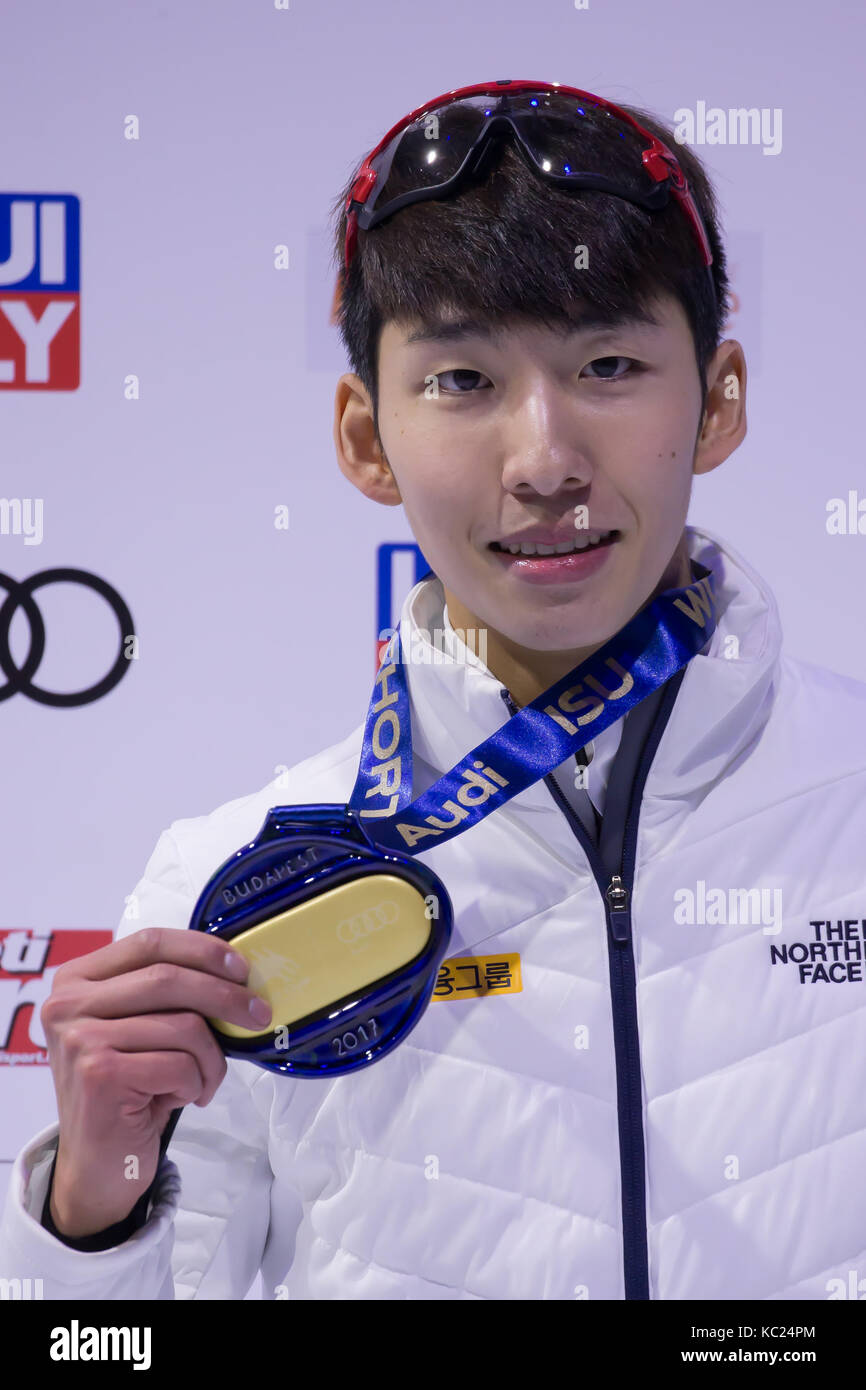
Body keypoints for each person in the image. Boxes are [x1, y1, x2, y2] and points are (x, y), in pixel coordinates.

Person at [2, 80, 865, 1301]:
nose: (544, 460)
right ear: (363, 436)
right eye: (462, 381)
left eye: (608, 363)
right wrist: (90, 1216)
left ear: (717, 399)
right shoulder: (226, 893)